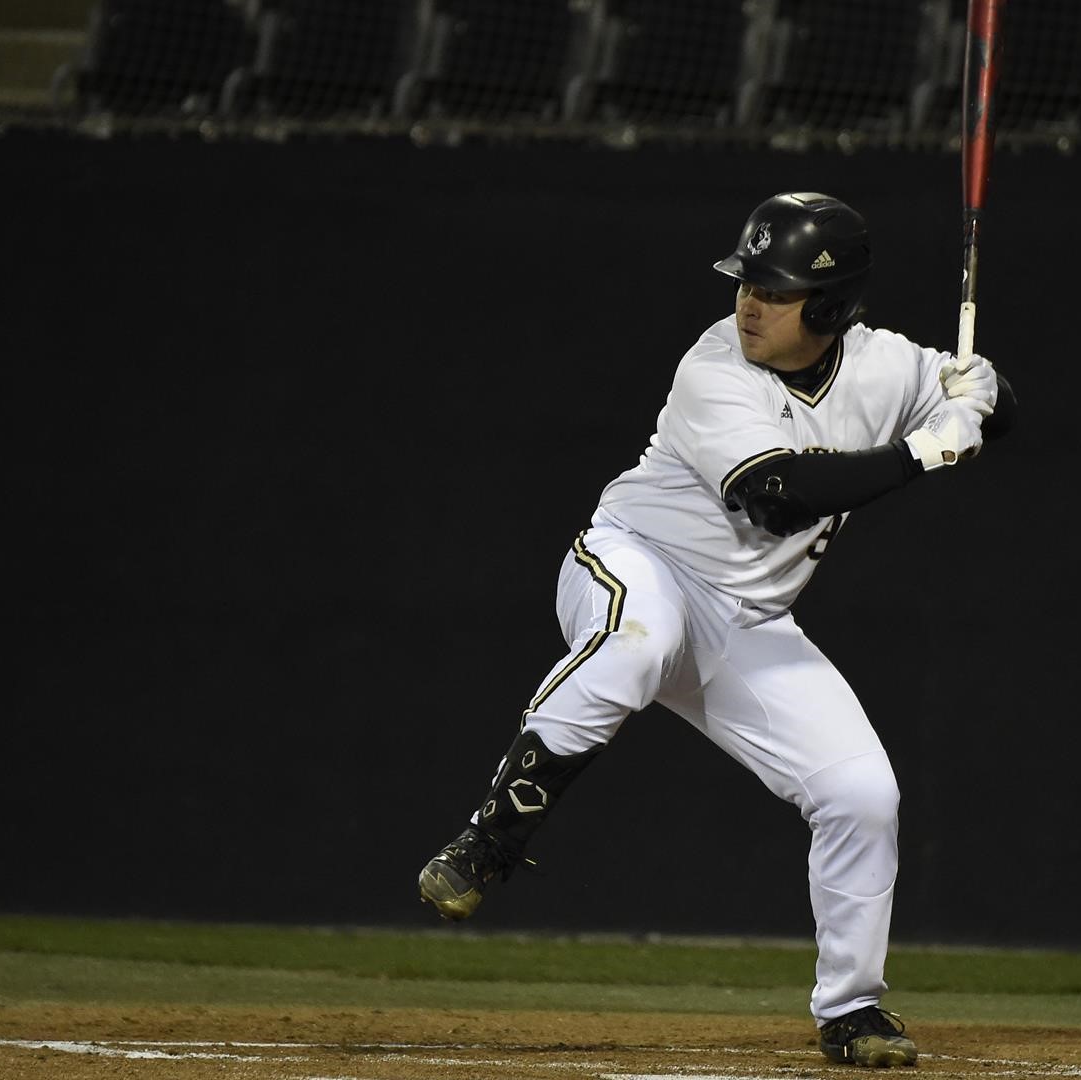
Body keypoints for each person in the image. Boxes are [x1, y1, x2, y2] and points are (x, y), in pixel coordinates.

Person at [413, 191, 1017, 1069]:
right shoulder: (714, 366)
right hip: (637, 560)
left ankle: (852, 1010)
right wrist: (927, 452)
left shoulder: (888, 367)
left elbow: (1001, 414)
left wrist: (979, 398)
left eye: (773, 290)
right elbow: (778, 500)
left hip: (750, 620)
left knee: (861, 796)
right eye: (747, 281)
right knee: (638, 641)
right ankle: (488, 841)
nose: (749, 303)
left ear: (835, 306)